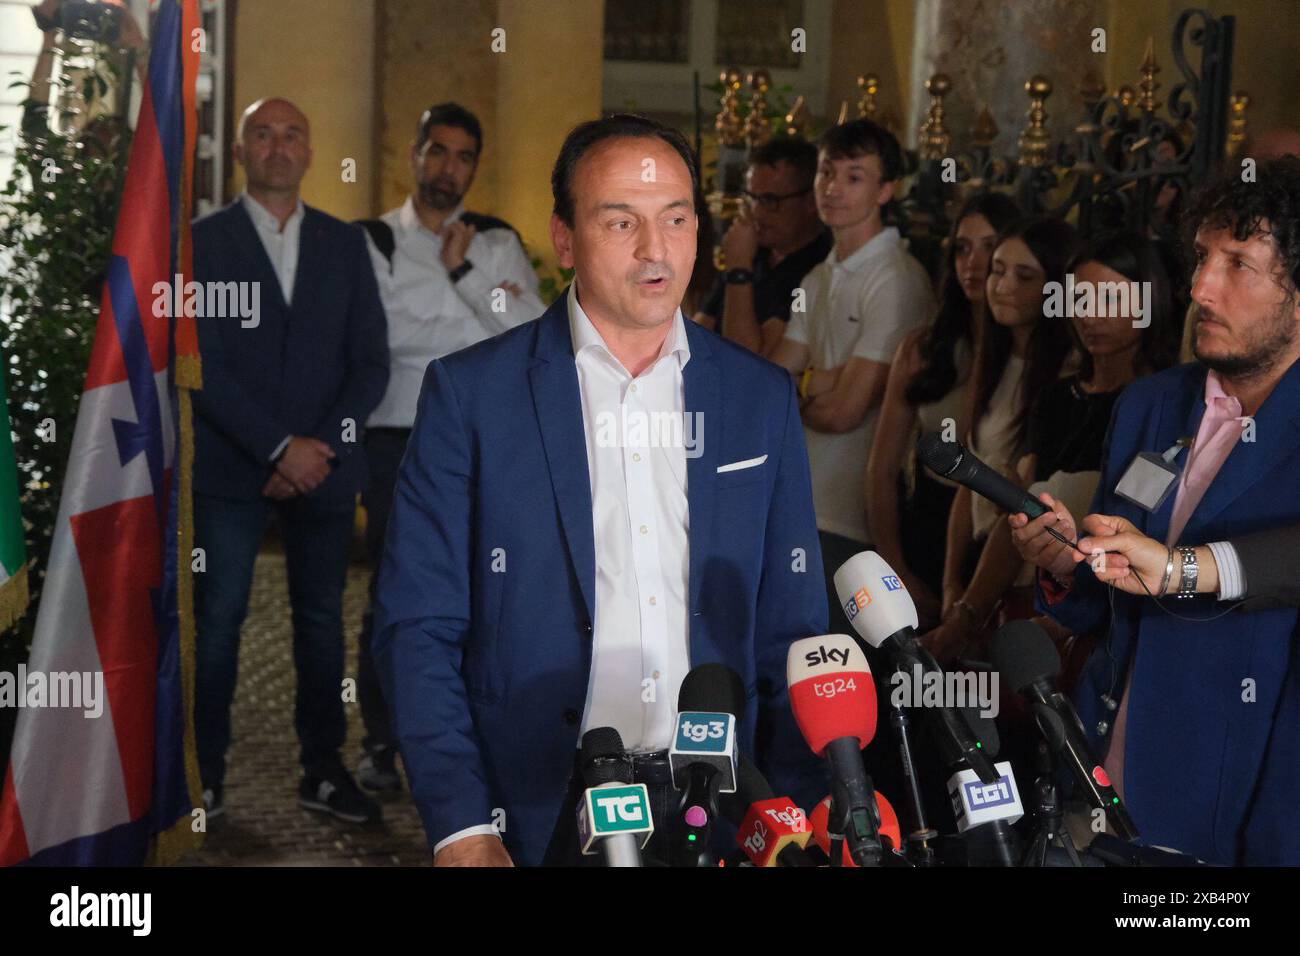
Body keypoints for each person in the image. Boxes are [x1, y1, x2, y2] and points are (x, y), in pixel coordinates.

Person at [373, 114, 828, 867]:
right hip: (536, 810)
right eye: (622, 222)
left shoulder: (759, 399)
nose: (657, 250)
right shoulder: (472, 396)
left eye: (676, 220)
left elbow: (794, 627)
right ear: (564, 237)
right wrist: (461, 823)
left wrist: (804, 806)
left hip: (723, 808)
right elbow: (417, 626)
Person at [1008, 156, 1300, 865]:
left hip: (1229, 808)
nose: (1201, 286)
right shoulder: (1152, 403)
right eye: (1202, 258)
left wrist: (1177, 568)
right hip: (1094, 778)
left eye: (1239, 264)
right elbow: (1106, 597)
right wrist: (1062, 560)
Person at [192, 98, 389, 825]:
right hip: (229, 473)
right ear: (241, 150)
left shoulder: (345, 246)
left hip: (326, 473)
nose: (278, 146)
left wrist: (319, 448)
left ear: (310, 153)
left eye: (292, 134)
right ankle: (200, 775)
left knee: (320, 627)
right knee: (217, 625)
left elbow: (370, 363)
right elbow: (199, 361)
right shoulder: (201, 244)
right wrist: (277, 448)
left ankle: (324, 771)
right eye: (262, 134)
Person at [352, 102, 544, 793]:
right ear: (414, 153)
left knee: (486, 589)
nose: (448, 168)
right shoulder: (373, 241)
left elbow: (531, 331)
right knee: (397, 592)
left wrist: (466, 277)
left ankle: (470, 730)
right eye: (437, 151)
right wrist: (475, 312)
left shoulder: (495, 240)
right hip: (397, 435)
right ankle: (383, 739)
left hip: (486, 437)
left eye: (463, 156)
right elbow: (385, 337)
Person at [924, 230, 1180, 662]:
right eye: (1080, 299)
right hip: (1031, 595)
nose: (1091, 316)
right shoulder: (1055, 399)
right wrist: (967, 614)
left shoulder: (1166, 407)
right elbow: (1019, 513)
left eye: (1111, 299)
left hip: (1115, 623)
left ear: (1150, 301)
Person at [768, 118, 935, 635]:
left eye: (854, 176)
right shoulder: (819, 274)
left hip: (854, 516)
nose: (833, 188)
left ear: (887, 189)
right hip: (799, 501)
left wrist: (810, 386)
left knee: (844, 679)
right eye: (826, 172)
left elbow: (846, 412)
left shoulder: (895, 278)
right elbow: (773, 383)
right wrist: (823, 379)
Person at [866, 192, 1021, 627]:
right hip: (925, 519)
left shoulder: (1026, 353)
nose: (973, 262)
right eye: (962, 247)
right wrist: (896, 572)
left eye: (990, 247)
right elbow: (882, 469)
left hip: (992, 529)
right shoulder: (923, 347)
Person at [928, 218, 1077, 656]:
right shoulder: (992, 360)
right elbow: (966, 474)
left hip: (1025, 572)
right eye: (997, 270)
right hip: (978, 558)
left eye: (1024, 276)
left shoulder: (1065, 374)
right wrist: (952, 579)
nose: (1002, 285)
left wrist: (971, 605)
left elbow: (1031, 496)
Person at [691, 136, 831, 358]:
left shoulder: (819, 268)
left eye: (770, 200)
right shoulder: (754, 251)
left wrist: (739, 271)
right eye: (751, 197)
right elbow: (695, 337)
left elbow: (750, 361)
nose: (756, 211)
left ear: (811, 201)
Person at [1071, 514, 1300, 607]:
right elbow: (1096, 603)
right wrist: (1065, 563)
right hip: (1105, 688)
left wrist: (1174, 569)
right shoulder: (1136, 410)